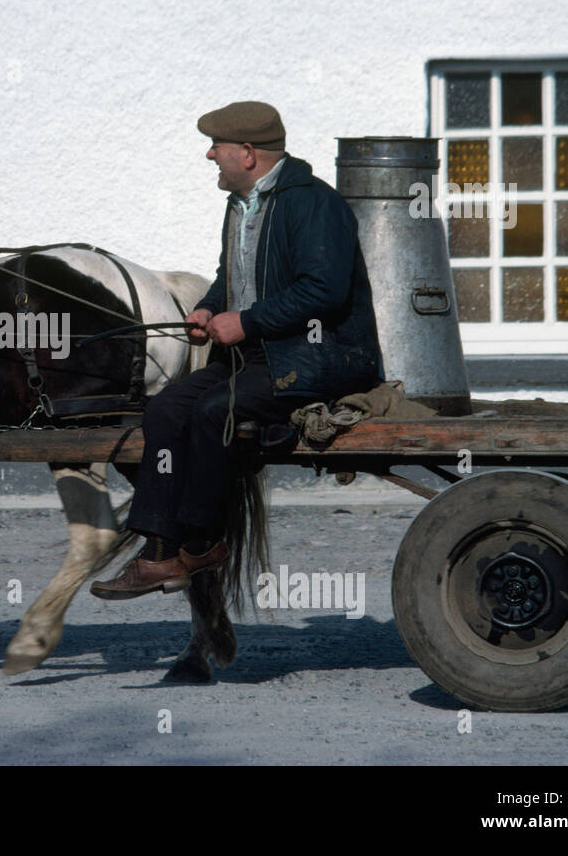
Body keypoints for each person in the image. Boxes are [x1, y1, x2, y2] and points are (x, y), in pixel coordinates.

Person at [91, 101, 383, 599]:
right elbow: (233, 278)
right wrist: (208, 309)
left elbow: (324, 291)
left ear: (247, 154)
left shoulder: (315, 204)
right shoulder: (242, 204)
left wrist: (245, 322)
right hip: (257, 362)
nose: (209, 155)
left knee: (212, 410)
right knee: (163, 410)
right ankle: (160, 555)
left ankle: (203, 543)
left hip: (317, 361)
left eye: (216, 147)